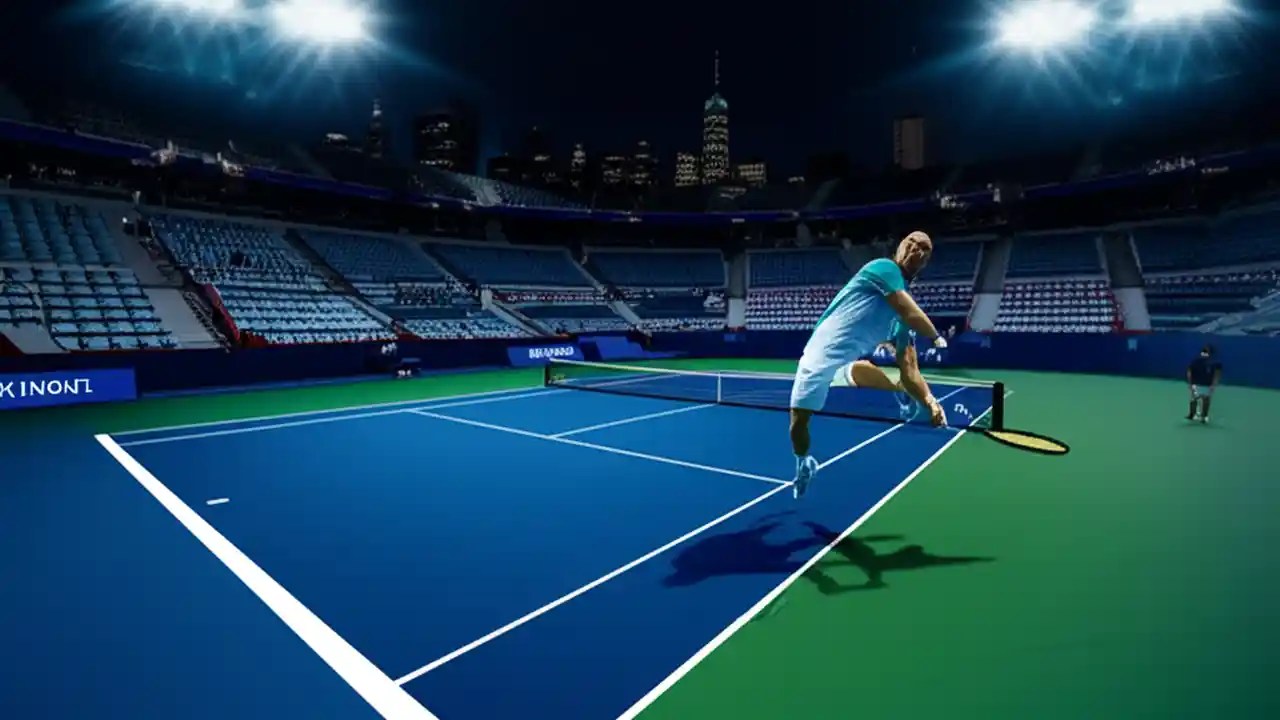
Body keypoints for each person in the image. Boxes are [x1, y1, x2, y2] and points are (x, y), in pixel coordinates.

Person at [789, 231, 949, 499]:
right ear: (899, 247)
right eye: (910, 243)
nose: (915, 250)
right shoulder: (883, 268)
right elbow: (910, 310)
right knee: (797, 424)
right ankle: (803, 463)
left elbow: (909, 367)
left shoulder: (901, 319)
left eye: (924, 249)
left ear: (926, 260)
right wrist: (936, 337)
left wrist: (930, 401)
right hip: (819, 357)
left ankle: (898, 392)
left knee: (864, 370)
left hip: (846, 360)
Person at [1186, 344, 1222, 424]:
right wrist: (1190, 383)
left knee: (1205, 400)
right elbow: (1190, 372)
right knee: (1194, 399)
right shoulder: (1196, 361)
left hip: (1207, 385)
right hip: (1196, 384)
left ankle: (1204, 416)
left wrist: (1213, 384)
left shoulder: (1214, 363)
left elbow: (1217, 374)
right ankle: (1192, 414)